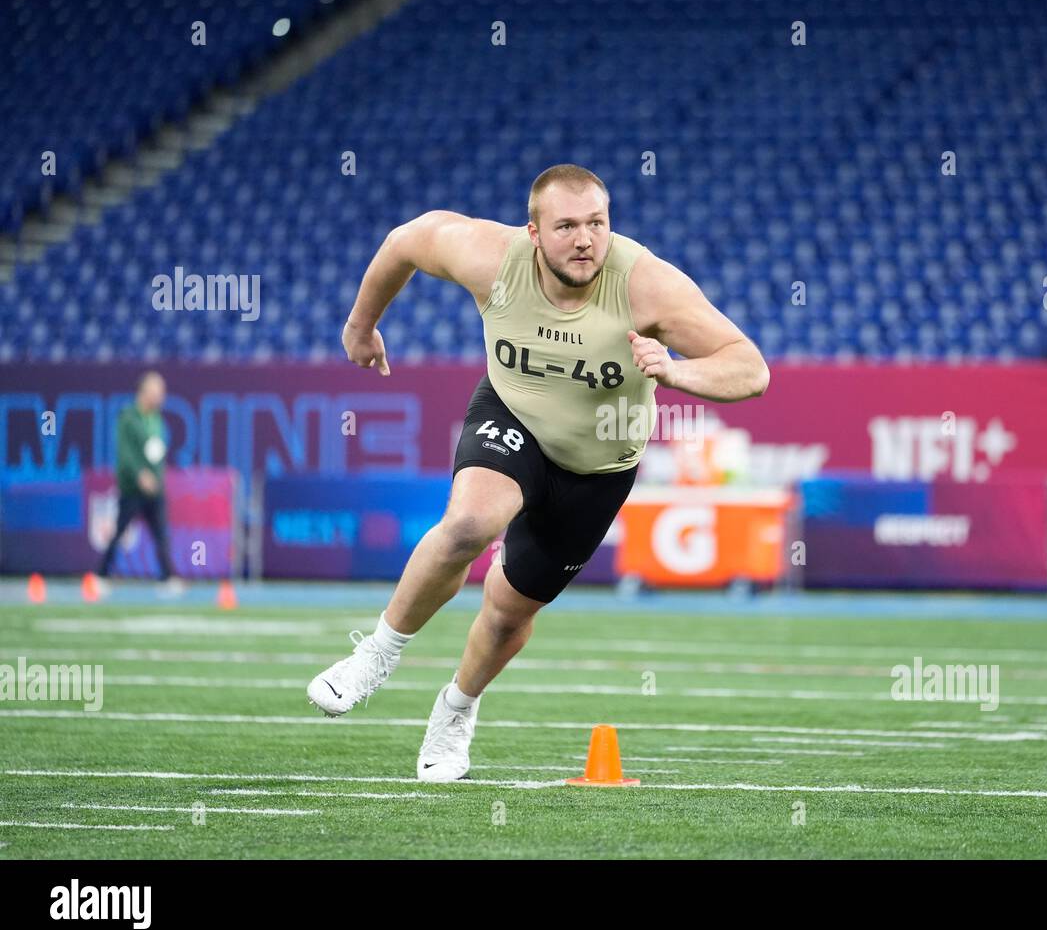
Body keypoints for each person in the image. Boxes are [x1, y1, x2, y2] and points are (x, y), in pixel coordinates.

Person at [306, 164, 769, 781]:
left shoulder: (646, 286)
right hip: (513, 417)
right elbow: (405, 241)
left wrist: (679, 372)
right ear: (533, 232)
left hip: (599, 465)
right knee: (469, 522)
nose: (585, 240)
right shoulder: (491, 258)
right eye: (568, 226)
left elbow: (750, 367)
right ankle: (379, 652)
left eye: (597, 224)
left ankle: (456, 709)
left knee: (506, 612)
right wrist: (361, 325)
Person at [97, 370, 180, 593]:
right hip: (133, 488)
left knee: (161, 533)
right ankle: (102, 575)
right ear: (144, 392)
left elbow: (157, 452)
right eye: (157, 390)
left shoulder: (156, 418)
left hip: (155, 489)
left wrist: (158, 477)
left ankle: (167, 578)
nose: (161, 395)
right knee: (120, 530)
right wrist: (140, 475)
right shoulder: (128, 417)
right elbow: (125, 454)